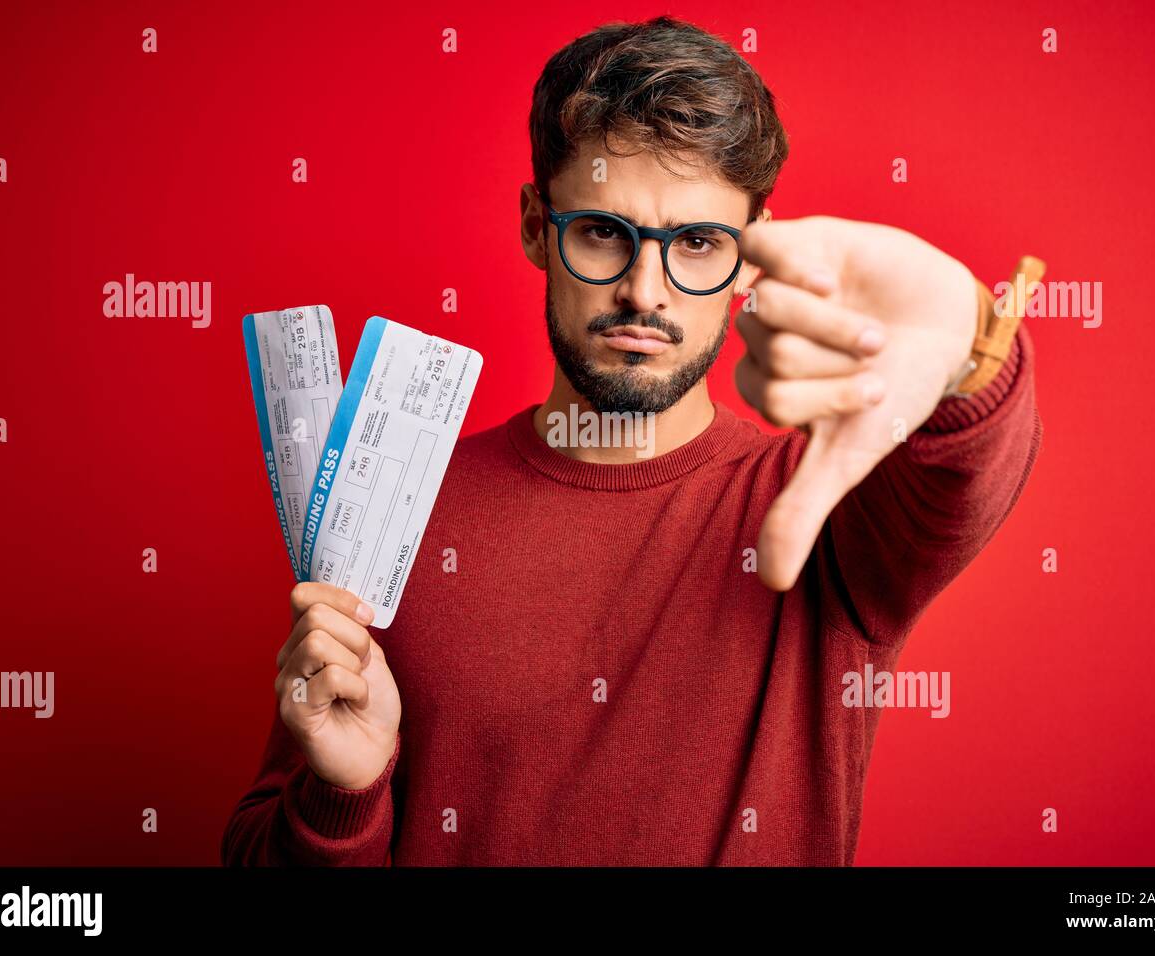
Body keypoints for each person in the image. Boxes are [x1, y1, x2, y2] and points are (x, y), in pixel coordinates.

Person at [222, 14, 1041, 866]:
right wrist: (343, 797)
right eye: (605, 233)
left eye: (697, 243)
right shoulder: (400, 499)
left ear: (750, 261)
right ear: (539, 226)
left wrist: (966, 347)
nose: (646, 292)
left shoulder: (825, 511)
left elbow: (970, 462)